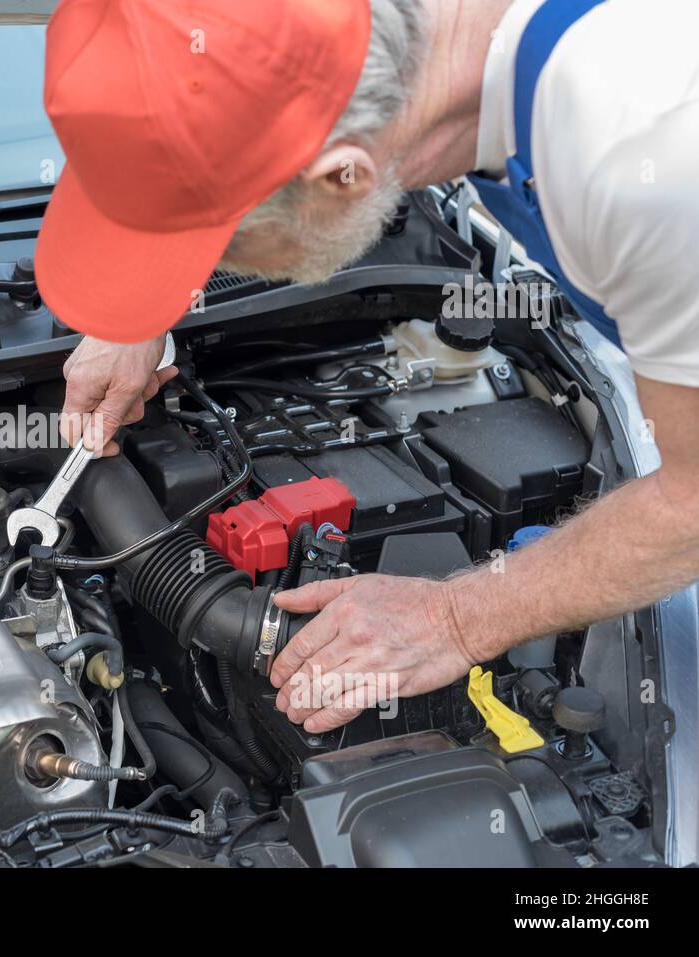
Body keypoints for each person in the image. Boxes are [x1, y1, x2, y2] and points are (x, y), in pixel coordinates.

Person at [35, 0, 699, 732]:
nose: (210, 271)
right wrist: (141, 314)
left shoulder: (645, 152)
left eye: (216, 254)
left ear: (343, 176)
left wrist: (453, 616)